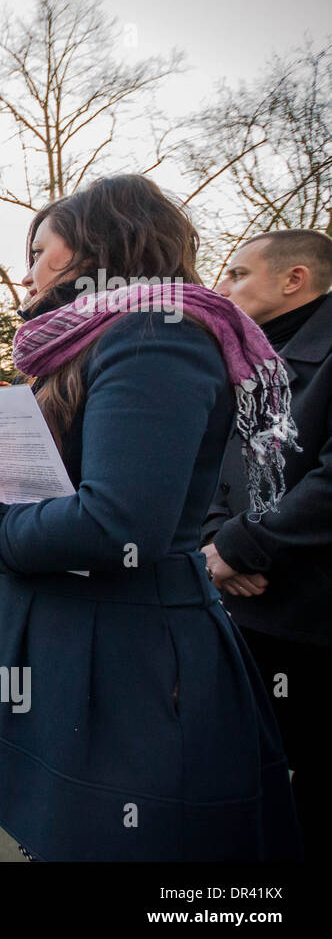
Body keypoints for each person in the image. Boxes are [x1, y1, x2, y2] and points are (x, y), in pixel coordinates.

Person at [0, 174, 301, 860]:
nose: (27, 270)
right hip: (75, 640)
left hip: (124, 660)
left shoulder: (156, 335)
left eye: (41, 250)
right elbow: (61, 491)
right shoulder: (94, 341)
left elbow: (117, 523)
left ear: (96, 246)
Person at [204, 228, 332, 854]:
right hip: (241, 606)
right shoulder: (244, 357)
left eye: (237, 274)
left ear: (294, 279)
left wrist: (244, 547)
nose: (221, 287)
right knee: (233, 771)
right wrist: (217, 545)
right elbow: (212, 468)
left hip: (311, 619)